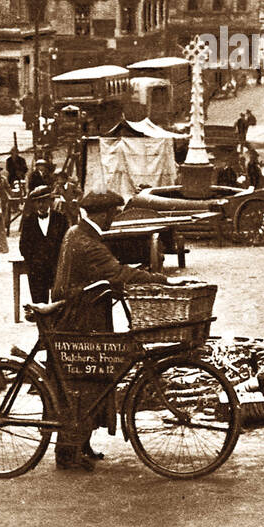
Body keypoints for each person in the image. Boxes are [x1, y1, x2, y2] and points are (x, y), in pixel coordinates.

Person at [50, 191, 156, 471]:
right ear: (103, 214)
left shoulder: (77, 233)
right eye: (112, 213)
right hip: (80, 321)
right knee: (82, 384)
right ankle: (68, 454)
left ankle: (79, 445)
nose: (114, 218)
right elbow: (117, 274)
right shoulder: (88, 243)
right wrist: (160, 280)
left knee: (88, 383)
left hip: (80, 317)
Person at [19, 186, 70, 304]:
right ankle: (42, 321)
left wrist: (59, 261)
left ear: (50, 201)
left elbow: (67, 242)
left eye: (43, 201)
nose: (41, 205)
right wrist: (34, 261)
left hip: (56, 266)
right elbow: (23, 246)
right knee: (39, 301)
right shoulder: (28, 221)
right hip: (37, 269)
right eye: (37, 202)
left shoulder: (61, 219)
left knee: (60, 300)